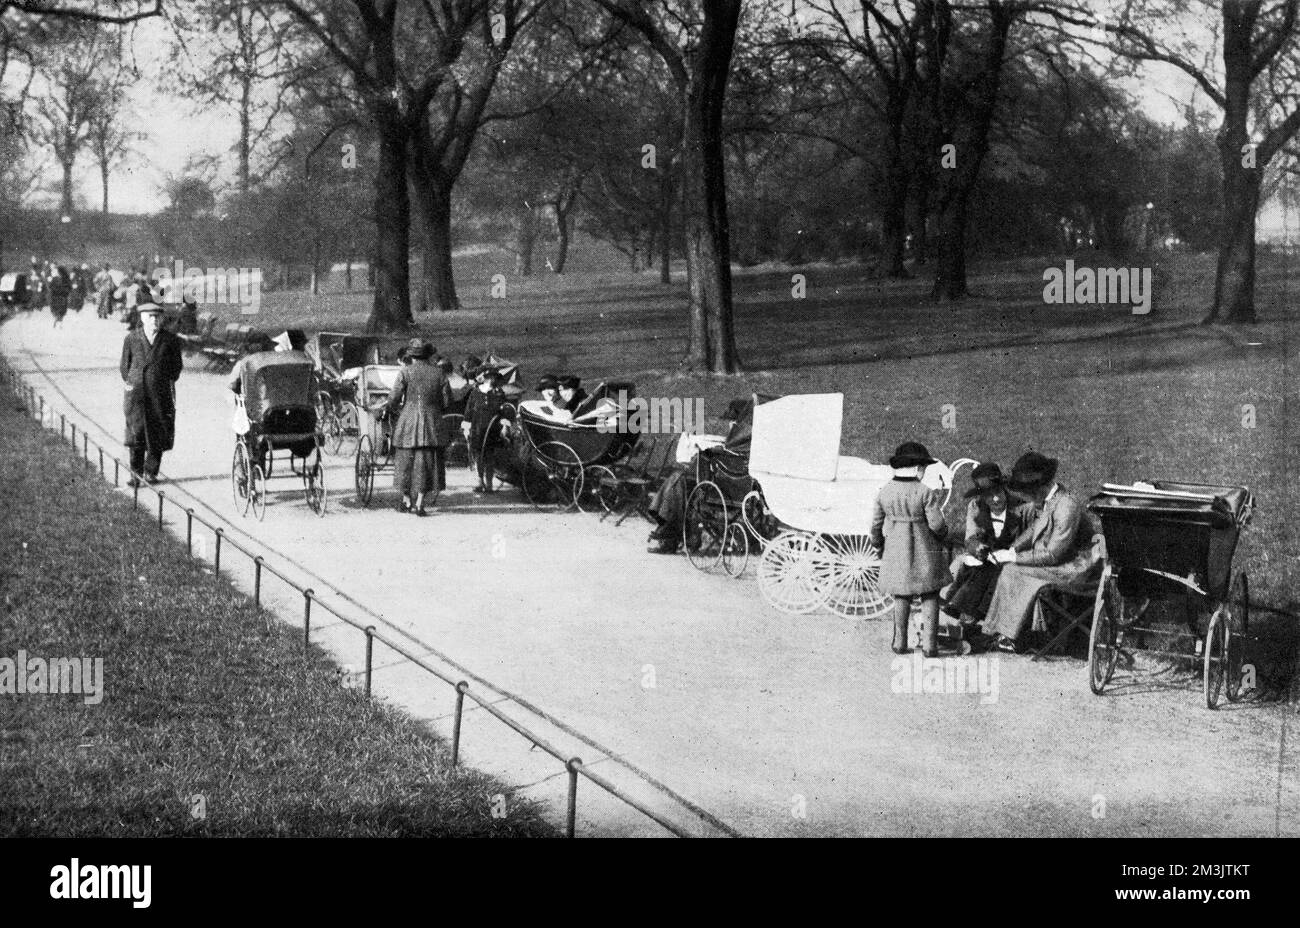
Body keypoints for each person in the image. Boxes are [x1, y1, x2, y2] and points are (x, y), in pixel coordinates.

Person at [978, 451, 1101, 653]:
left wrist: (1013, 557)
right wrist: (1012, 549)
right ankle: (997, 632)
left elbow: (1053, 555)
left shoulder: (1066, 506)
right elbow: (1034, 530)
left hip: (1077, 570)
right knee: (1011, 568)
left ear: (1039, 487)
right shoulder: (1051, 501)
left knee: (1013, 571)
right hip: (1061, 563)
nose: (1025, 496)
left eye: (1027, 491)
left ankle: (1007, 635)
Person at [869, 441, 950, 657]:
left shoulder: (884, 492)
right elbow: (937, 524)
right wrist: (943, 535)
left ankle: (899, 642)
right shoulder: (925, 492)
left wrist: (878, 544)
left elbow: (875, 526)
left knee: (901, 595)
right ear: (916, 468)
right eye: (923, 468)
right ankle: (930, 645)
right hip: (925, 549)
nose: (924, 472)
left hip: (896, 549)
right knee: (930, 594)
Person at [942, 462, 1030, 626]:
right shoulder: (975, 507)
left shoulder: (1022, 508)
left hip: (1012, 558)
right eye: (988, 495)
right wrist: (977, 548)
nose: (995, 498)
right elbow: (971, 537)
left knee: (994, 570)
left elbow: (1028, 539)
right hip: (987, 557)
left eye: (997, 492)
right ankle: (967, 615)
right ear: (981, 496)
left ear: (1004, 489)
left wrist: (1009, 553)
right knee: (979, 567)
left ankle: (971, 613)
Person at [384, 338, 453, 515]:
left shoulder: (405, 373)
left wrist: (390, 408)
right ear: (428, 356)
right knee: (427, 463)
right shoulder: (440, 374)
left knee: (405, 462)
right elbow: (447, 401)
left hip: (408, 422)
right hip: (432, 424)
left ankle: (407, 501)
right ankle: (420, 503)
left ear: (411, 357)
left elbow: (394, 398)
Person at [120, 303, 183, 486]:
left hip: (160, 393)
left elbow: (176, 367)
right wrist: (135, 381)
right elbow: (125, 366)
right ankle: (135, 474)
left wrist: (160, 380)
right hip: (136, 395)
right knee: (136, 432)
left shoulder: (169, 340)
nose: (154, 320)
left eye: (157, 317)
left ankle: (151, 471)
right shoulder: (131, 338)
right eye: (150, 316)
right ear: (142, 318)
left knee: (158, 430)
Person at [462, 366, 511, 493]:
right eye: (489, 377)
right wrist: (466, 428)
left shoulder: (499, 393)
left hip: (492, 430)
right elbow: (468, 412)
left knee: (489, 457)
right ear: (484, 378)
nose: (491, 380)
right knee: (478, 456)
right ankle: (479, 481)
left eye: (494, 377)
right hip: (477, 429)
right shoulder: (475, 393)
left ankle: (489, 484)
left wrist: (505, 426)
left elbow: (504, 412)